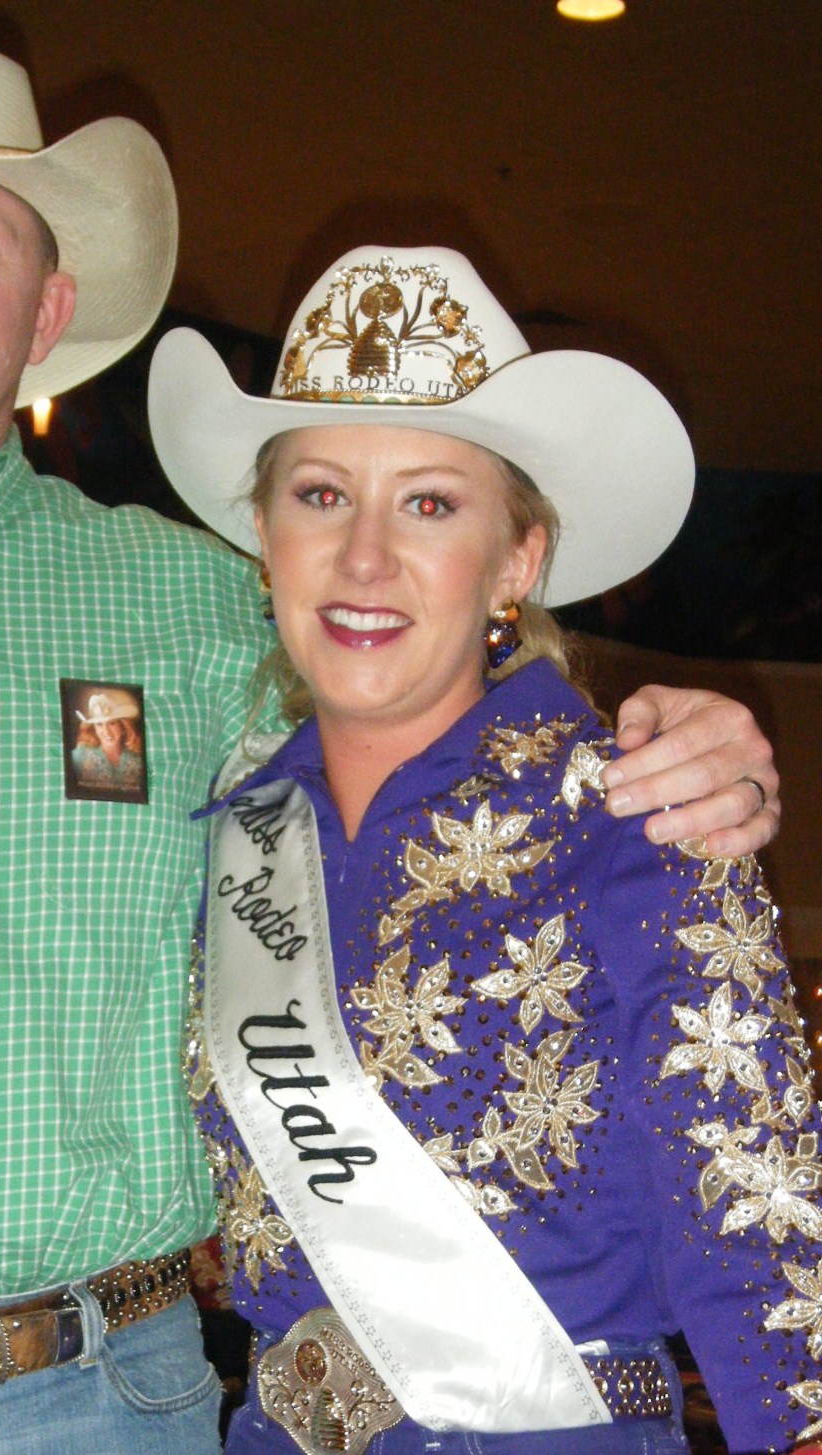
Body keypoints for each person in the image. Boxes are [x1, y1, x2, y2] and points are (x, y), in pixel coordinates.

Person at [0, 37, 781, 1454]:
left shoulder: (211, 607)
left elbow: (442, 768)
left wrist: (684, 744)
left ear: (48, 309)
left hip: (106, 1398)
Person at [148, 246, 821, 1454]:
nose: (364, 556)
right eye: (318, 495)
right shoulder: (236, 827)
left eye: (429, 502)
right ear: (263, 538)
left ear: (516, 560)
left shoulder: (639, 810)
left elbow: (758, 1208)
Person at [71, 691, 146, 794]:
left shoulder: (139, 760)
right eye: (99, 724)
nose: (106, 731)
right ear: (95, 729)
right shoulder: (79, 756)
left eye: (112, 723)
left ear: (123, 727)